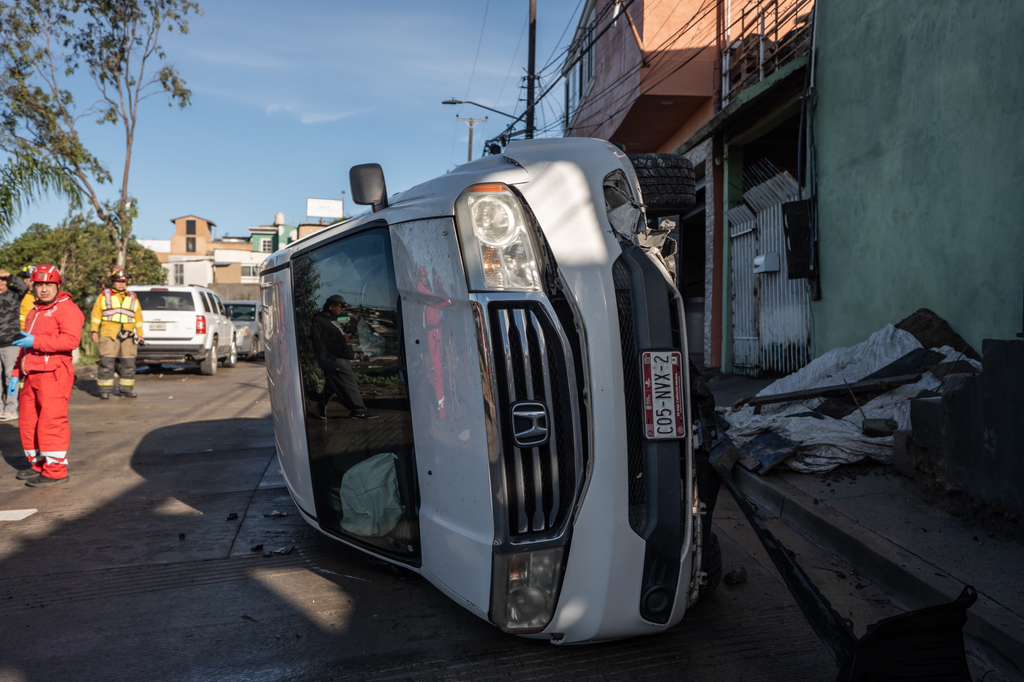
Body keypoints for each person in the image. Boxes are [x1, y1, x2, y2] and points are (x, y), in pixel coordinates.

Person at [10, 264, 84, 486]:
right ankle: (38, 463)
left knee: (51, 422)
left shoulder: (67, 309)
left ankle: (55, 470)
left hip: (54, 373)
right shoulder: (35, 311)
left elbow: (71, 341)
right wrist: (16, 373)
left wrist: (36, 341)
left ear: (57, 285)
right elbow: (25, 346)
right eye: (39, 284)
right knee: (29, 422)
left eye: (48, 284)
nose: (43, 289)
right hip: (32, 372)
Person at [311, 294, 371, 419]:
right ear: (331, 306)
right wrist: (325, 358)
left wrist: (355, 317)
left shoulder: (333, 319)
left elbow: (349, 320)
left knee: (332, 385)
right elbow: (319, 342)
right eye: (341, 306)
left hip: (338, 356)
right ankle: (359, 410)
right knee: (348, 382)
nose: (343, 309)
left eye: (344, 307)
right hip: (334, 358)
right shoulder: (321, 321)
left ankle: (319, 406)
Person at [90, 267, 144, 399]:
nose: (121, 284)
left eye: (124, 281)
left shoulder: (132, 297)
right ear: (113, 282)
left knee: (129, 363)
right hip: (109, 333)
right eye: (118, 281)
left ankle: (126, 389)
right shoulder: (104, 296)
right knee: (107, 362)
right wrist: (94, 331)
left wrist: (140, 334)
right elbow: (96, 314)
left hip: (128, 334)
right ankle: (105, 390)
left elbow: (138, 317)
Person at [0, 269, 28, 421]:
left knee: (11, 377)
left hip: (11, 343)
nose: (0, 283)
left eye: (3, 280)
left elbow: (24, 288)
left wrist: (9, 275)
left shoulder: (14, 295)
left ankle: (11, 408)